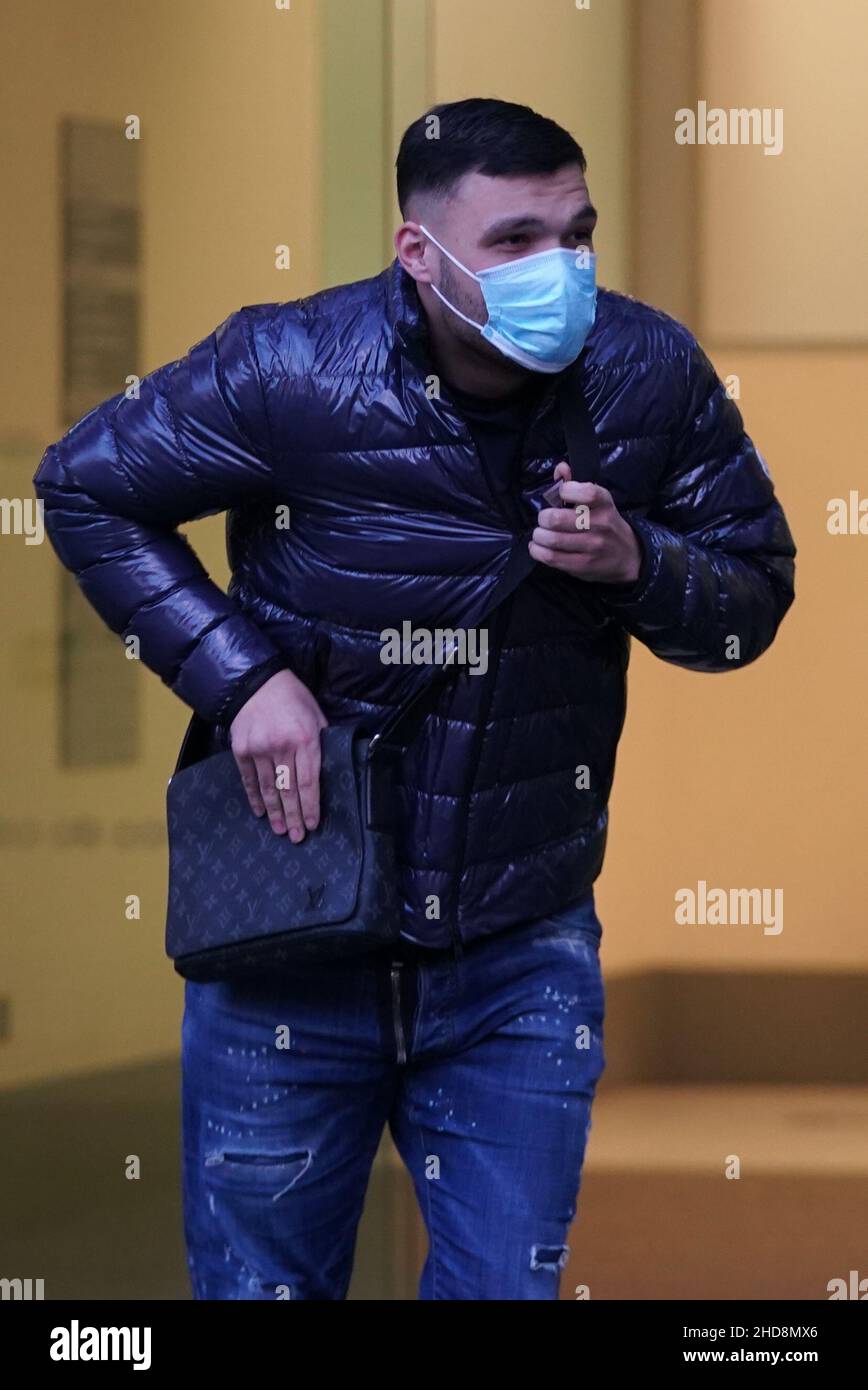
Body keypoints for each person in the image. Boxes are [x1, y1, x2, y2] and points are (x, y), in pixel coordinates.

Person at [33, 97, 796, 1300]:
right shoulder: (289, 365)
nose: (561, 267)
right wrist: (242, 682)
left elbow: (752, 596)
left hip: (519, 941)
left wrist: (640, 562)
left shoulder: (647, 373)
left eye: (578, 230)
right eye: (515, 239)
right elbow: (82, 488)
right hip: (290, 930)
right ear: (418, 252)